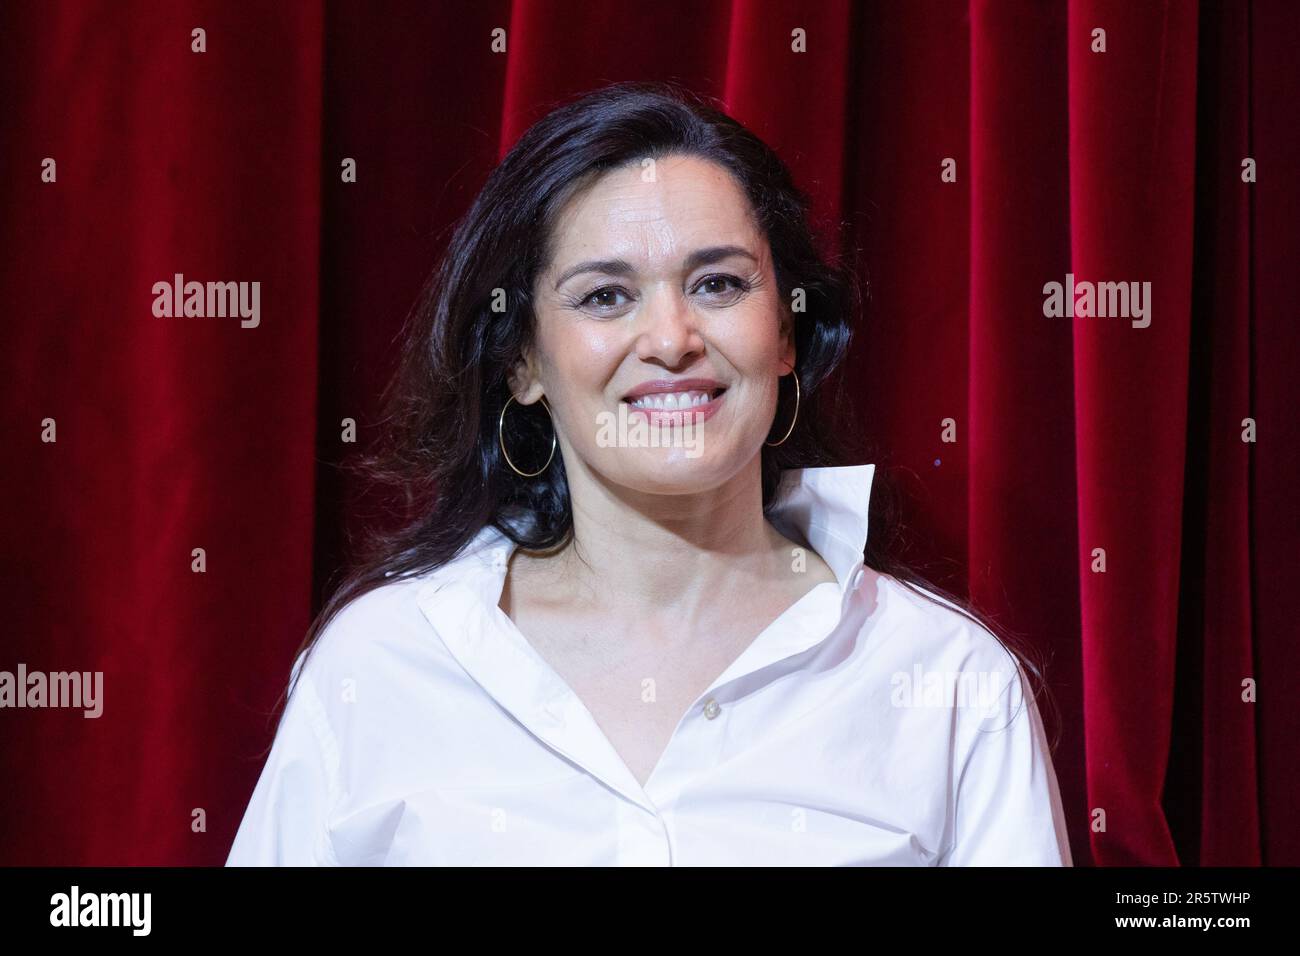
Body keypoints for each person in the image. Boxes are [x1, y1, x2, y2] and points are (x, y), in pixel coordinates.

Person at [226, 81, 1072, 866]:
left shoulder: (950, 683)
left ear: (785, 335)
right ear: (522, 361)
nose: (671, 338)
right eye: (605, 296)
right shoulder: (378, 665)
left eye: (718, 284)